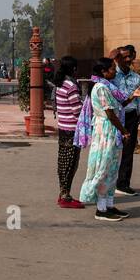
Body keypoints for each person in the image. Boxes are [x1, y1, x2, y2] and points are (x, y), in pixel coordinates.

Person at [75, 58, 131, 222]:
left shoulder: (105, 87)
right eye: (112, 69)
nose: (115, 71)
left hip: (110, 129)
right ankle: (101, 209)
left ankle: (109, 205)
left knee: (113, 168)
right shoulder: (101, 88)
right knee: (104, 167)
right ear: (104, 72)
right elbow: (110, 114)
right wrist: (124, 131)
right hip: (106, 130)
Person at [112, 45, 140, 194]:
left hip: (131, 116)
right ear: (118, 59)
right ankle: (108, 183)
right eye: (123, 57)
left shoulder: (136, 78)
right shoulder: (112, 75)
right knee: (111, 149)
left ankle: (123, 183)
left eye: (129, 56)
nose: (127, 60)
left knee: (128, 150)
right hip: (114, 116)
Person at [52, 56, 84, 208]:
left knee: (63, 161)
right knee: (71, 163)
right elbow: (77, 110)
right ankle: (65, 196)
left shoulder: (60, 84)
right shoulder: (71, 85)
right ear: (73, 69)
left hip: (63, 127)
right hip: (72, 129)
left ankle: (63, 193)